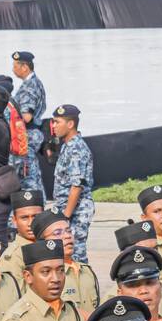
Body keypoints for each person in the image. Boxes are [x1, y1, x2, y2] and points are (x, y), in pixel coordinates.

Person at [51, 105, 96, 263]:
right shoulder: (68, 145)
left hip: (76, 211)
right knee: (66, 256)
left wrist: (66, 217)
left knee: (76, 256)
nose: (53, 126)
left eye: (57, 122)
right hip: (67, 209)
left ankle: (83, 279)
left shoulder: (76, 149)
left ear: (70, 124)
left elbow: (76, 186)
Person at [10, 50, 47, 190]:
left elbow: (26, 116)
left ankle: (34, 202)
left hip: (26, 137)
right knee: (34, 176)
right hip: (31, 135)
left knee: (28, 179)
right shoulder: (35, 82)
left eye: (15, 66)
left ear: (25, 67)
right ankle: (39, 201)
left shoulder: (29, 87)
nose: (13, 69)